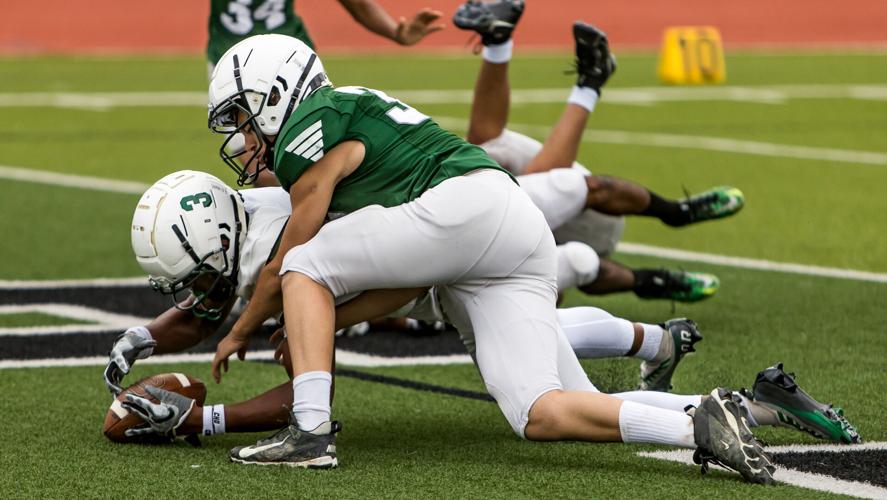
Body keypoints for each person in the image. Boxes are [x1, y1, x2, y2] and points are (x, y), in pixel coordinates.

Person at [202, 33, 778, 483]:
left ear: (275, 96)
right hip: (502, 226)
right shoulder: (346, 112)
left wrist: (243, 330)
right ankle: (719, 415)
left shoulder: (312, 121)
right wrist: (322, 322)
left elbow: (290, 260)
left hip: (464, 208)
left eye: (242, 120)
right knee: (542, 411)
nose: (241, 140)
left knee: (304, 265)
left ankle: (309, 434)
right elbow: (409, 284)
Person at [111, 170, 861, 450]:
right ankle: (755, 406)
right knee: (572, 401)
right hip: (472, 235)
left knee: (537, 410)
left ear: (218, 237)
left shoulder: (289, 248)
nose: (195, 290)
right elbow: (215, 306)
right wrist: (146, 336)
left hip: (469, 250)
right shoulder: (262, 216)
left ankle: (684, 392)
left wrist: (205, 420)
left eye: (193, 269)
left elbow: (315, 392)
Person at [454, 0, 744, 302]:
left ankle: (676, 212)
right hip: (551, 241)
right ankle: (652, 281)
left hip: (585, 212)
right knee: (570, 263)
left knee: (490, 150)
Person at [207, 0, 446, 74]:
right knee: (260, 168)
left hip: (293, 61)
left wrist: (396, 32)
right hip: (230, 59)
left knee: (311, 159)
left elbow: (358, 5)